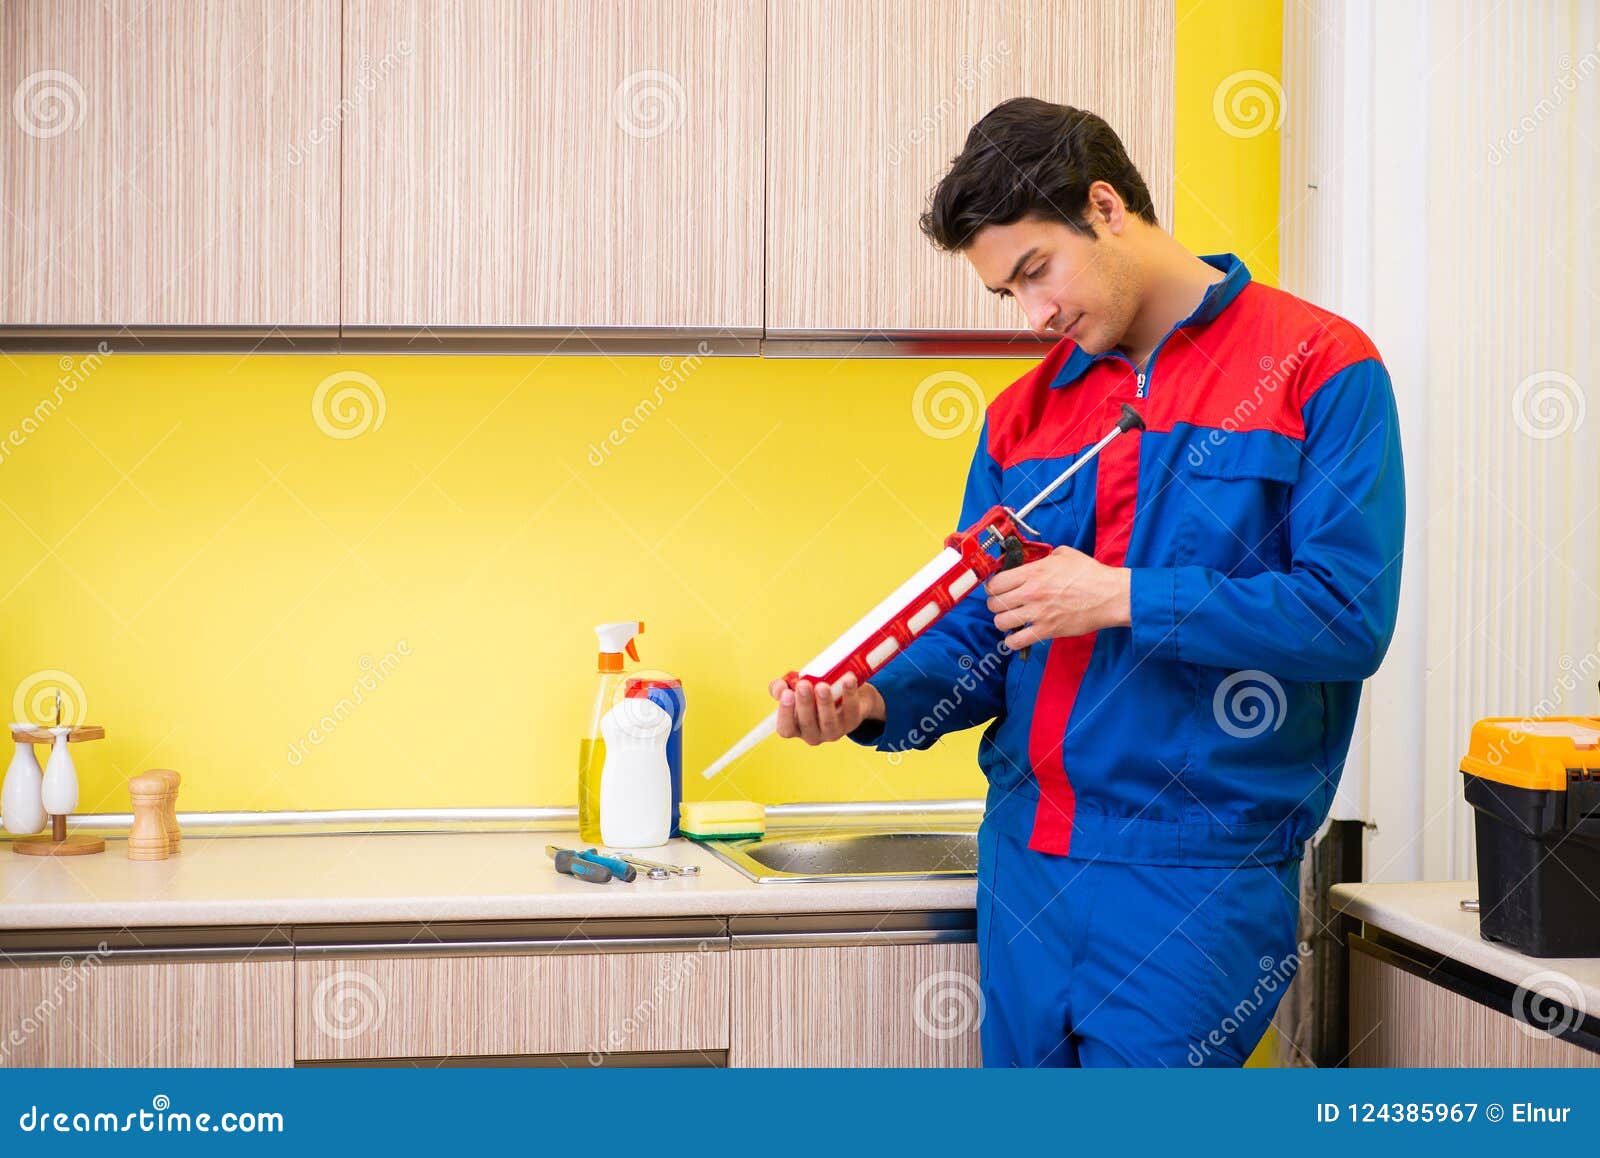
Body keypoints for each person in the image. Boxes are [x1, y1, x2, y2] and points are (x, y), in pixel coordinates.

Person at [767, 97, 1405, 1067]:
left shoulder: (1317, 366)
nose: (1035, 317)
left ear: (1105, 207)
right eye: (1007, 296)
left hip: (1194, 879)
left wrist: (1122, 596)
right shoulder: (1021, 417)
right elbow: (982, 634)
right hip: (1026, 870)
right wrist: (869, 700)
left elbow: (1346, 616)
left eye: (1036, 272)